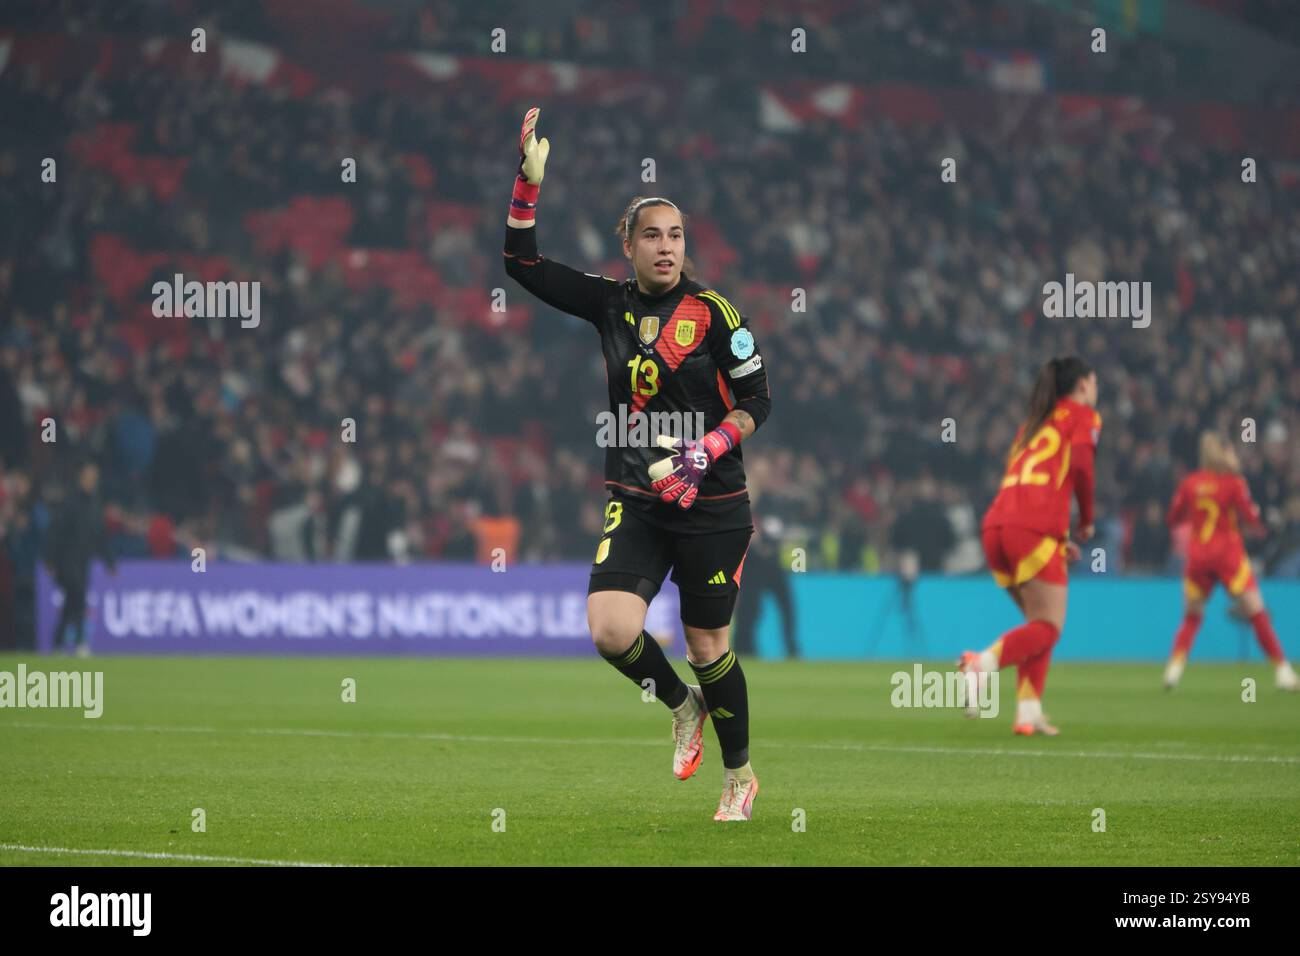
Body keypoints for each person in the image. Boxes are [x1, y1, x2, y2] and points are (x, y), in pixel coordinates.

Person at [503, 108, 773, 820]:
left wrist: (706, 448)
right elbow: (521, 265)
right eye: (651, 235)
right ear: (627, 246)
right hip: (638, 495)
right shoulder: (609, 305)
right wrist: (527, 189)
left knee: (708, 642)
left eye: (676, 235)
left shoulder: (718, 315)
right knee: (611, 629)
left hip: (713, 504)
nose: (666, 247)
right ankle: (682, 707)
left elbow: (757, 403)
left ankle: (739, 776)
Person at [959, 357, 1100, 735]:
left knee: (1037, 626)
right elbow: (1083, 468)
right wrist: (1085, 522)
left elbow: (1031, 483)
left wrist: (1060, 536)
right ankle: (981, 665)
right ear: (1084, 384)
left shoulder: (1031, 425)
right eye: (1094, 381)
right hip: (1031, 530)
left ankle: (1027, 713)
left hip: (997, 528)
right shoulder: (1083, 416)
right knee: (1048, 628)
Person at [1163, 433, 1297, 691]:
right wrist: (1263, 522)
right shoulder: (1234, 482)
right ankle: (1282, 671)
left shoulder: (1190, 483)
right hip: (1228, 556)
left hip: (1198, 558)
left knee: (1191, 617)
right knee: (1257, 613)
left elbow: (1173, 518)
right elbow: (1252, 518)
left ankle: (1173, 671)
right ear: (1225, 453)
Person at [43, 461, 117, 656]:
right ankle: (81, 641)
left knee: (71, 602)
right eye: (88, 477)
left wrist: (109, 562)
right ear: (80, 478)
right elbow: (56, 531)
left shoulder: (95, 504)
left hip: (83, 561)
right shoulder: (69, 503)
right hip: (66, 560)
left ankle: (58, 642)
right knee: (78, 597)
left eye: (94, 478)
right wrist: (50, 558)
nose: (91, 482)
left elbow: (100, 536)